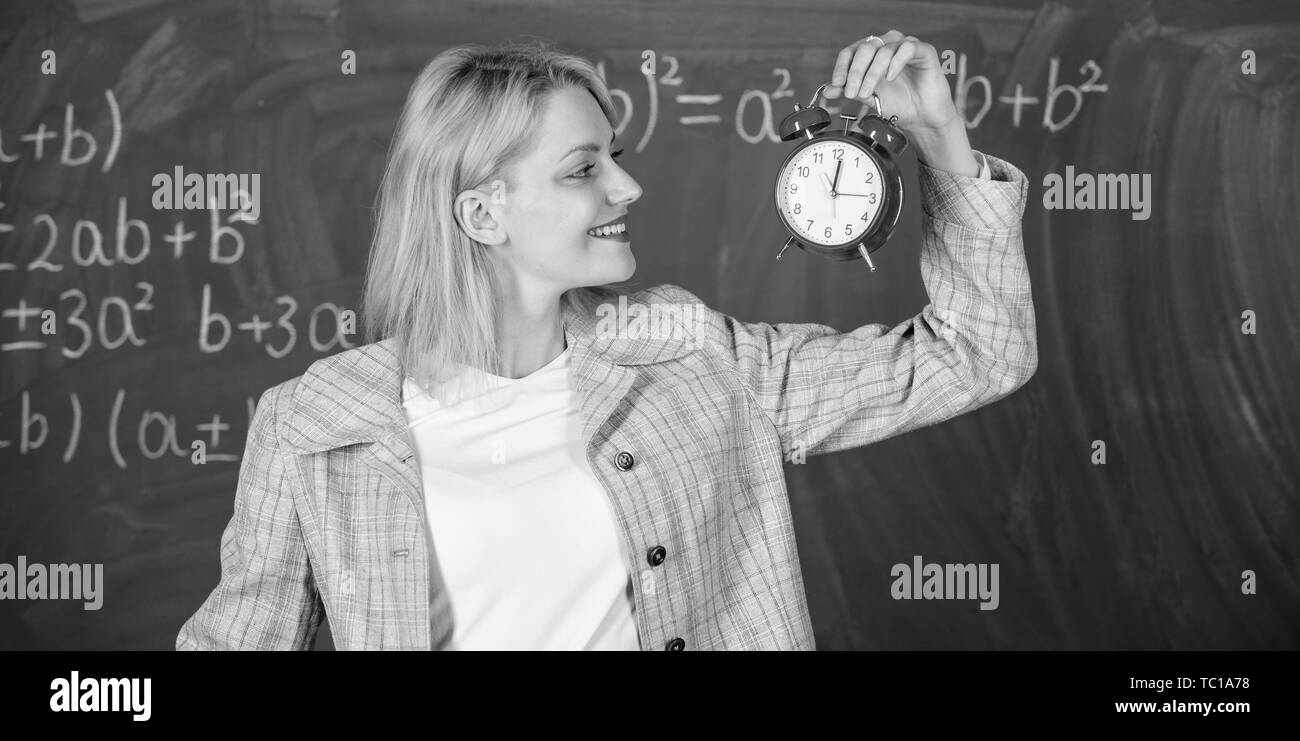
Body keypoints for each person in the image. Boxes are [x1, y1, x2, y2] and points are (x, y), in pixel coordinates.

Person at [177, 30, 1036, 651]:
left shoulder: (689, 358)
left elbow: (977, 352)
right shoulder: (313, 424)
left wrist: (938, 141)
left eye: (613, 154)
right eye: (583, 168)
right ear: (482, 212)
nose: (627, 184)